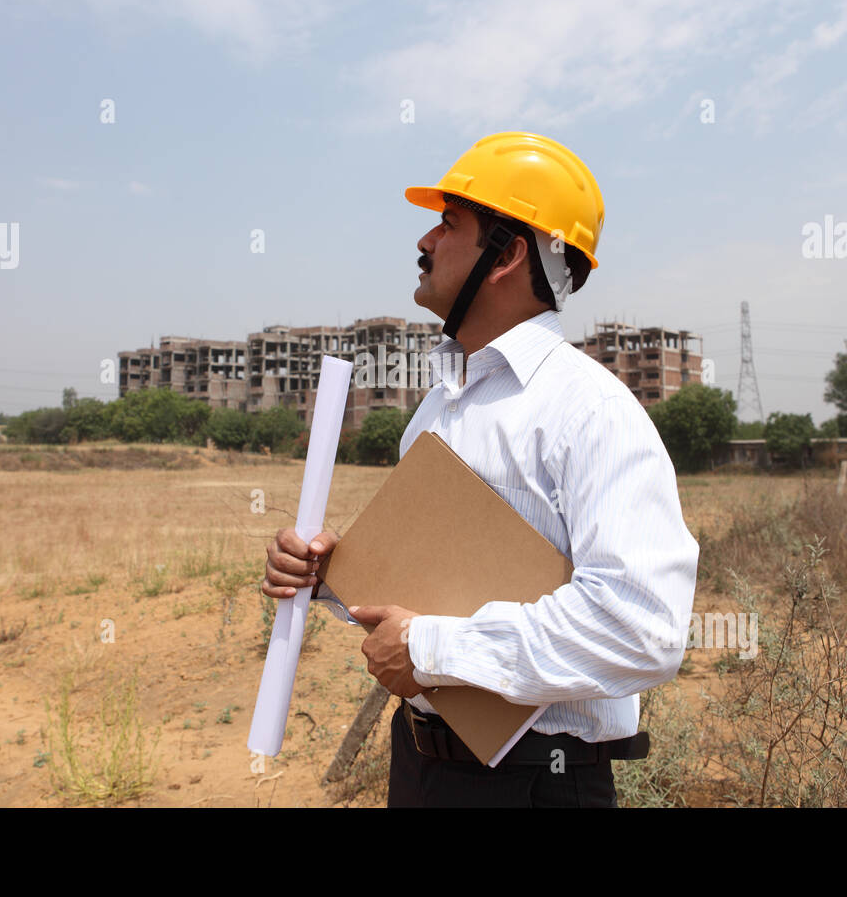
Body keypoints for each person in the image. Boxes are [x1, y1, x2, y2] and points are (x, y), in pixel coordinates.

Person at [263, 131, 699, 807]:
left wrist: (433, 652)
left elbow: (642, 630)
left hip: (536, 782)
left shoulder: (591, 413)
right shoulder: (440, 407)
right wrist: (325, 576)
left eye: (449, 223)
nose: (425, 243)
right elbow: (433, 584)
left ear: (510, 253)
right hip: (421, 766)